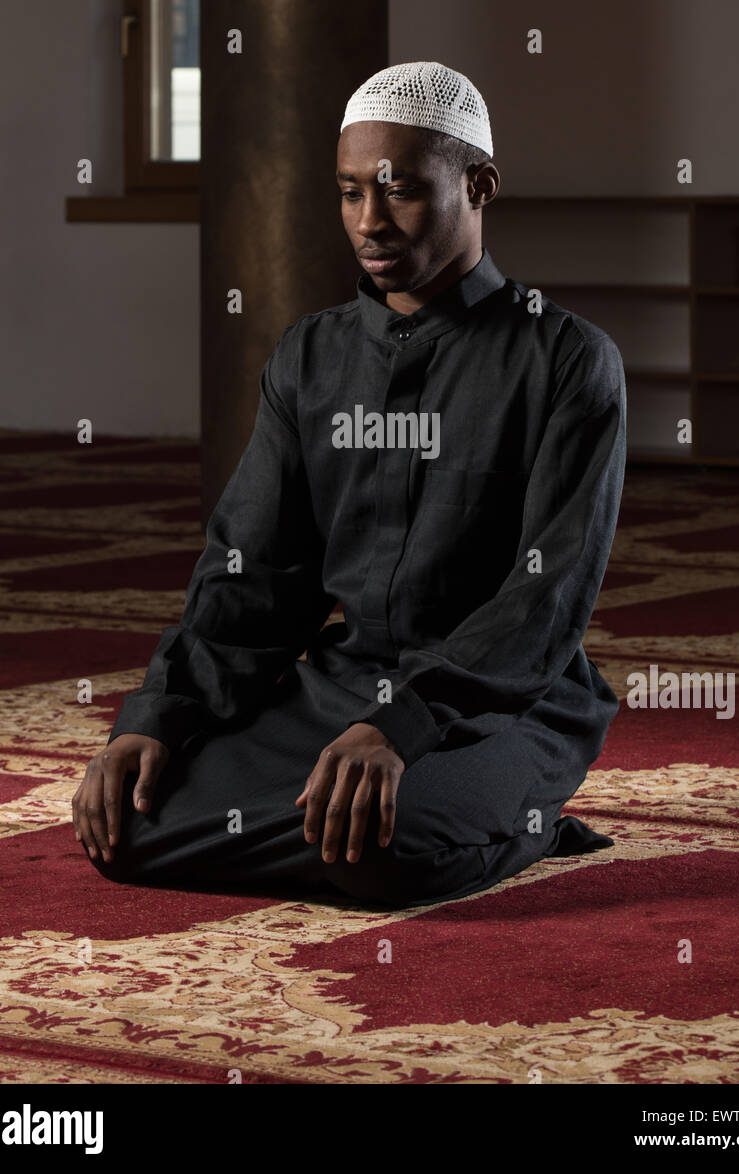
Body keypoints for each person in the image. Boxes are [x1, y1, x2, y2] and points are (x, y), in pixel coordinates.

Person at [71, 61, 626, 909]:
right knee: (129, 823)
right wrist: (158, 715)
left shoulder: (567, 360)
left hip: (504, 700)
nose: (369, 222)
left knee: (380, 849)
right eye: (348, 193)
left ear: (478, 185)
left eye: (398, 192)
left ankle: (529, 817)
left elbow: (542, 599)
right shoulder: (311, 357)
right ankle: (387, 820)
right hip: (340, 687)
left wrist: (402, 725)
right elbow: (251, 574)